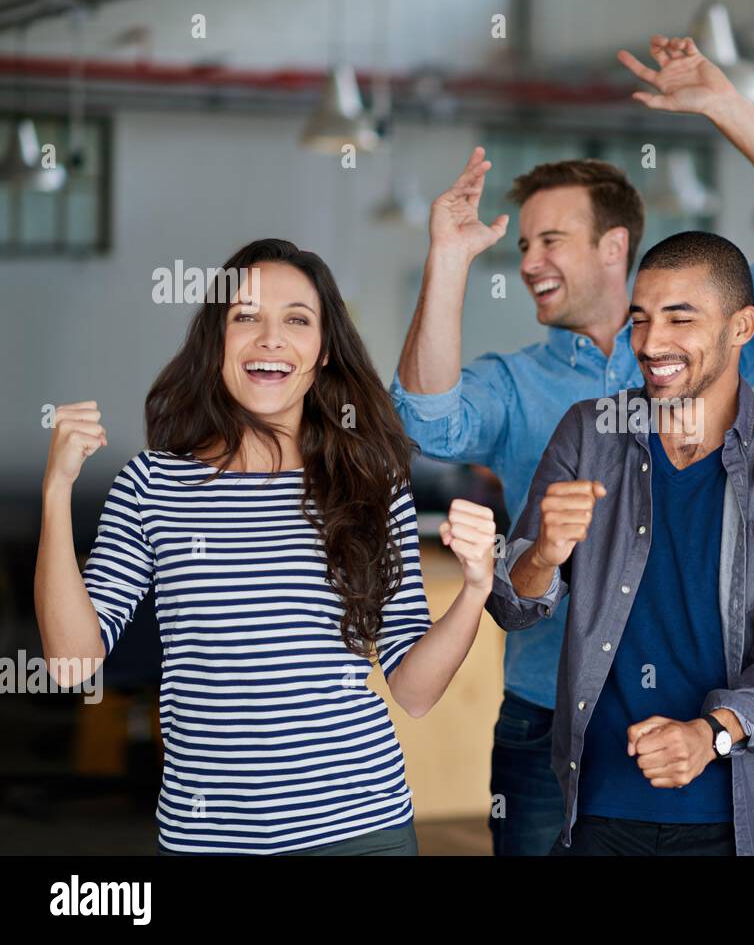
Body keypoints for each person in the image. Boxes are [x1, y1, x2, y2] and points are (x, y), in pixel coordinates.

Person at [391, 35, 754, 855]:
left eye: (548, 239)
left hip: (719, 740)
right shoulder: (526, 387)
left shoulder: (716, 321)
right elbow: (425, 421)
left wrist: (724, 104)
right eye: (521, 243)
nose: (527, 257)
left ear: (615, 247)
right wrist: (449, 257)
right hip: (553, 720)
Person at [34, 238, 496, 855]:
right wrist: (56, 489)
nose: (270, 338)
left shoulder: (371, 483)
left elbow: (413, 691)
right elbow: (72, 663)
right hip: (208, 839)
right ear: (217, 342)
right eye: (245, 317)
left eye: (296, 320)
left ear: (324, 350)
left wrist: (474, 589)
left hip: (360, 830)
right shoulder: (154, 483)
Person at [486, 231, 754, 856]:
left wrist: (710, 737)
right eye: (640, 319)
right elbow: (513, 607)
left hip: (738, 809)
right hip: (598, 801)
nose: (650, 344)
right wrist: (543, 554)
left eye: (680, 318)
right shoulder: (589, 432)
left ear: (742, 326)